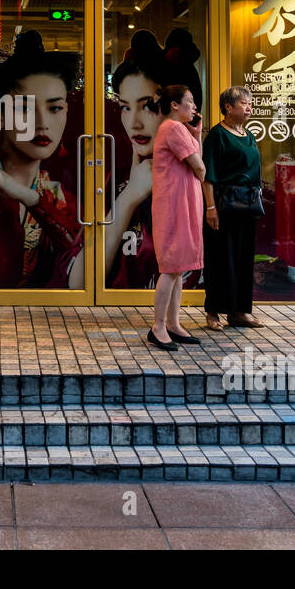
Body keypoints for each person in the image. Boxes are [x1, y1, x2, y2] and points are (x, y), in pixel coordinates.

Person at [0, 30, 84, 289]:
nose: (42, 123)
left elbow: (82, 255)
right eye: (24, 107)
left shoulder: (61, 197)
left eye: (55, 108)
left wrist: (28, 197)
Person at [105, 31, 167, 289]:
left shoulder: (192, 176)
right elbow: (79, 283)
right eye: (125, 107)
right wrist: (130, 195)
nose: (134, 123)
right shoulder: (117, 181)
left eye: (147, 106)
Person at [201, 86, 266, 330]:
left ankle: (240, 311)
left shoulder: (248, 135)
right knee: (220, 257)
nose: (249, 107)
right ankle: (213, 311)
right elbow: (208, 176)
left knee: (243, 257)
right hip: (223, 203)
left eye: (250, 103)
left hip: (247, 205)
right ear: (228, 107)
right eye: (244, 103)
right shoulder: (217, 135)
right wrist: (210, 207)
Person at [147, 85, 205, 351]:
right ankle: (158, 326)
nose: (194, 107)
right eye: (189, 101)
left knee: (177, 268)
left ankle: (173, 323)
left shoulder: (178, 129)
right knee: (170, 267)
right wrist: (202, 171)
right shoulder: (172, 128)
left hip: (179, 203)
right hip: (174, 205)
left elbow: (197, 161)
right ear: (174, 104)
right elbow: (200, 167)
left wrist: (197, 133)